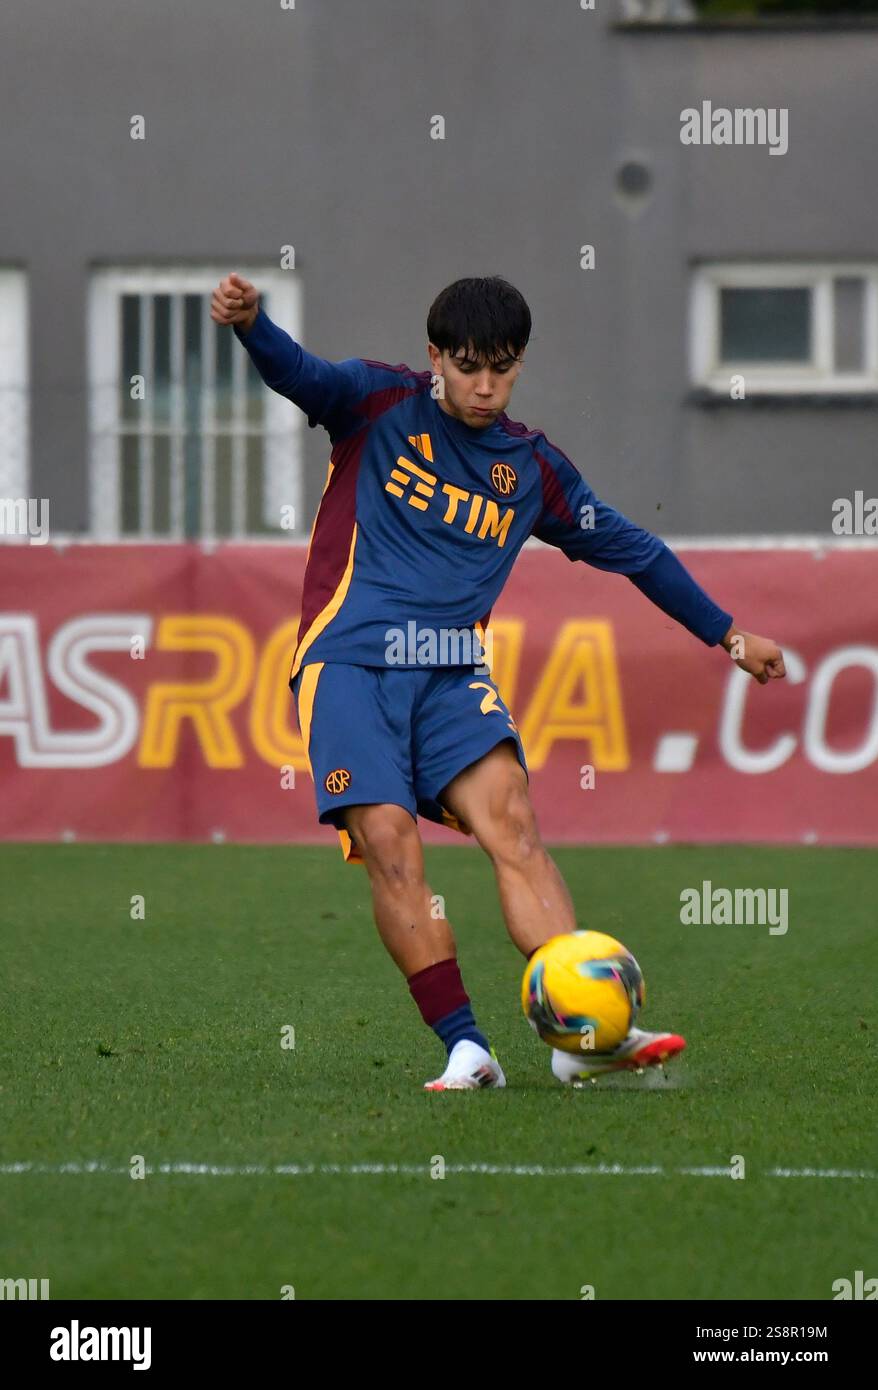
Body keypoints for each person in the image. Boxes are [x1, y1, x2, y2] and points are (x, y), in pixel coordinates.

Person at [211, 272, 786, 1091]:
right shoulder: (376, 402)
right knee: (388, 840)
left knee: (513, 823)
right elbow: (297, 371)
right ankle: (466, 1047)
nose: (485, 386)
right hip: (348, 662)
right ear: (435, 356)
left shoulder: (531, 468)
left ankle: (580, 1034)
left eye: (504, 368)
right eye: (469, 365)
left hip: (449, 673)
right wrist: (251, 325)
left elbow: (635, 551)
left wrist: (728, 634)